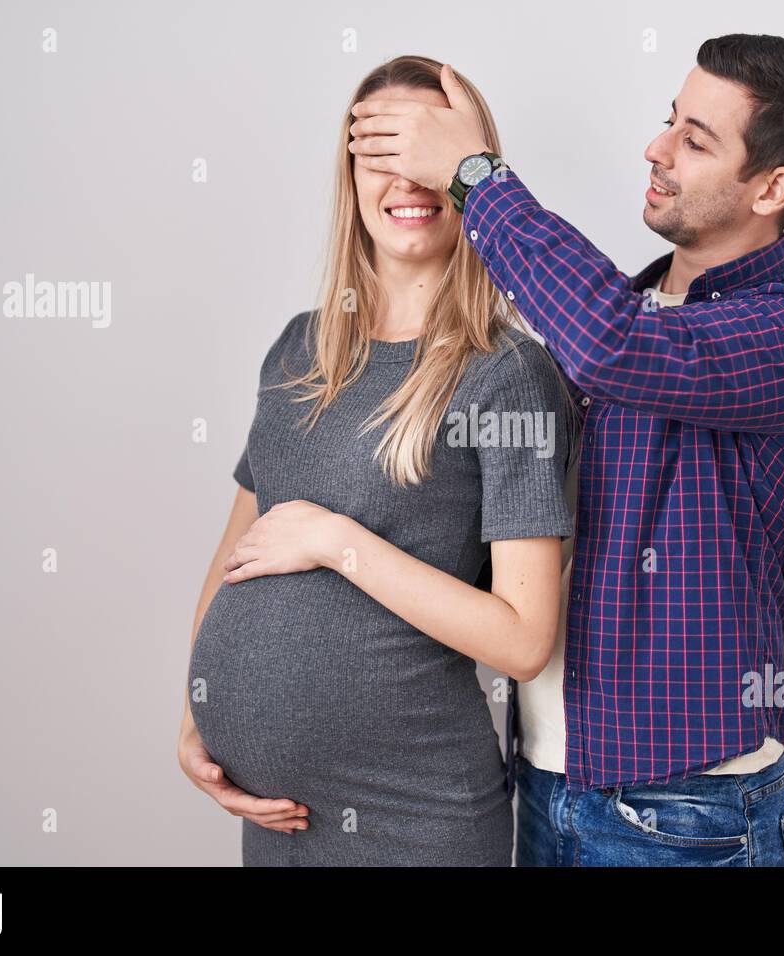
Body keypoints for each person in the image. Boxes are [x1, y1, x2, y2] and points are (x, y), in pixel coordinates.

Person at [348, 33, 784, 866]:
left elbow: (607, 346)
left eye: (697, 140)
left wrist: (477, 173)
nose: (656, 150)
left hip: (692, 807)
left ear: (773, 186)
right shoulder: (623, 307)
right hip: (545, 782)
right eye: (670, 120)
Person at [176, 55, 577, 866]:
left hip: (415, 815)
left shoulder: (507, 375)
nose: (410, 179)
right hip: (276, 820)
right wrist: (199, 713)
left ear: (469, 173)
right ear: (350, 174)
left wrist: (335, 541)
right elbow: (236, 554)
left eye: (431, 154)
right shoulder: (300, 346)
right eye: (383, 154)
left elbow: (524, 638)